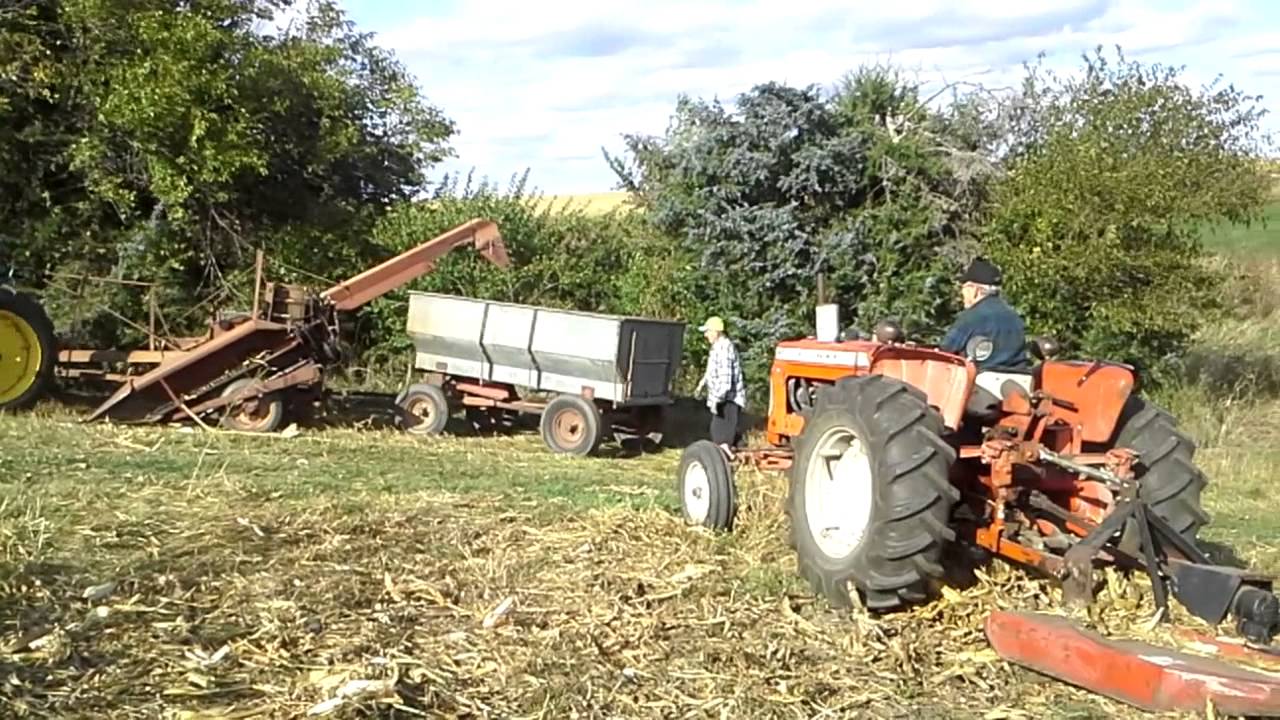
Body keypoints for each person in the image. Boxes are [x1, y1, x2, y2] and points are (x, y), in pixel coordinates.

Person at [939, 257, 1028, 371]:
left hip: (979, 383)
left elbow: (945, 353)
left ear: (974, 290)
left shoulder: (971, 317)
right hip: (1017, 380)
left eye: (964, 288)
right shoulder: (1015, 317)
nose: (962, 294)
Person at [694, 316, 746, 455]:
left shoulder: (724, 349)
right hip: (721, 400)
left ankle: (727, 463)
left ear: (716, 332)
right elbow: (711, 370)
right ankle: (736, 455)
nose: (705, 335)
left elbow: (726, 382)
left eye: (707, 331)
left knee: (721, 438)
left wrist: (716, 401)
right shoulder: (716, 347)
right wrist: (701, 384)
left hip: (728, 401)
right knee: (719, 433)